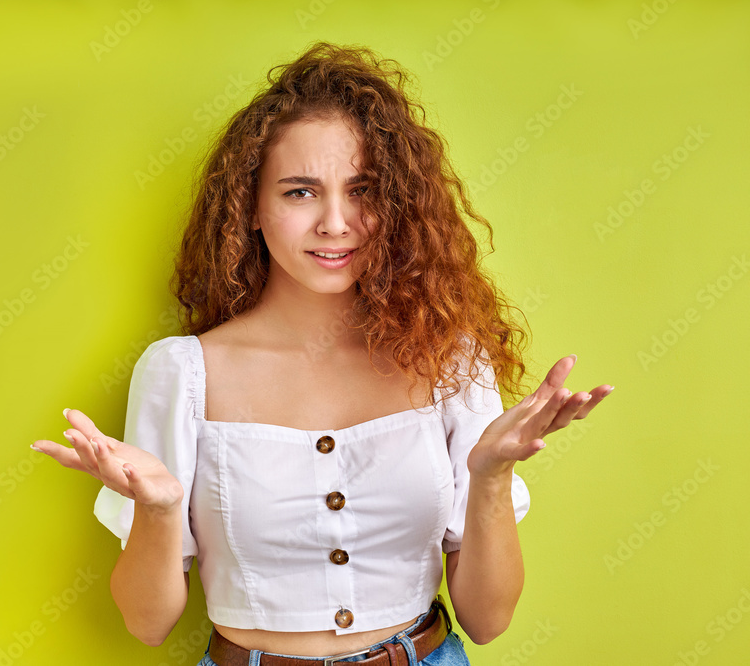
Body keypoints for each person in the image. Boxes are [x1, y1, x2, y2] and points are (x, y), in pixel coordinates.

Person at [31, 41, 613, 665]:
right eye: (300, 192)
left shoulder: (450, 361)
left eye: (362, 189)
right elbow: (148, 624)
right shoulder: (182, 373)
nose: (336, 223)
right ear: (251, 207)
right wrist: (159, 508)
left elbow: (488, 619)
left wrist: (490, 477)